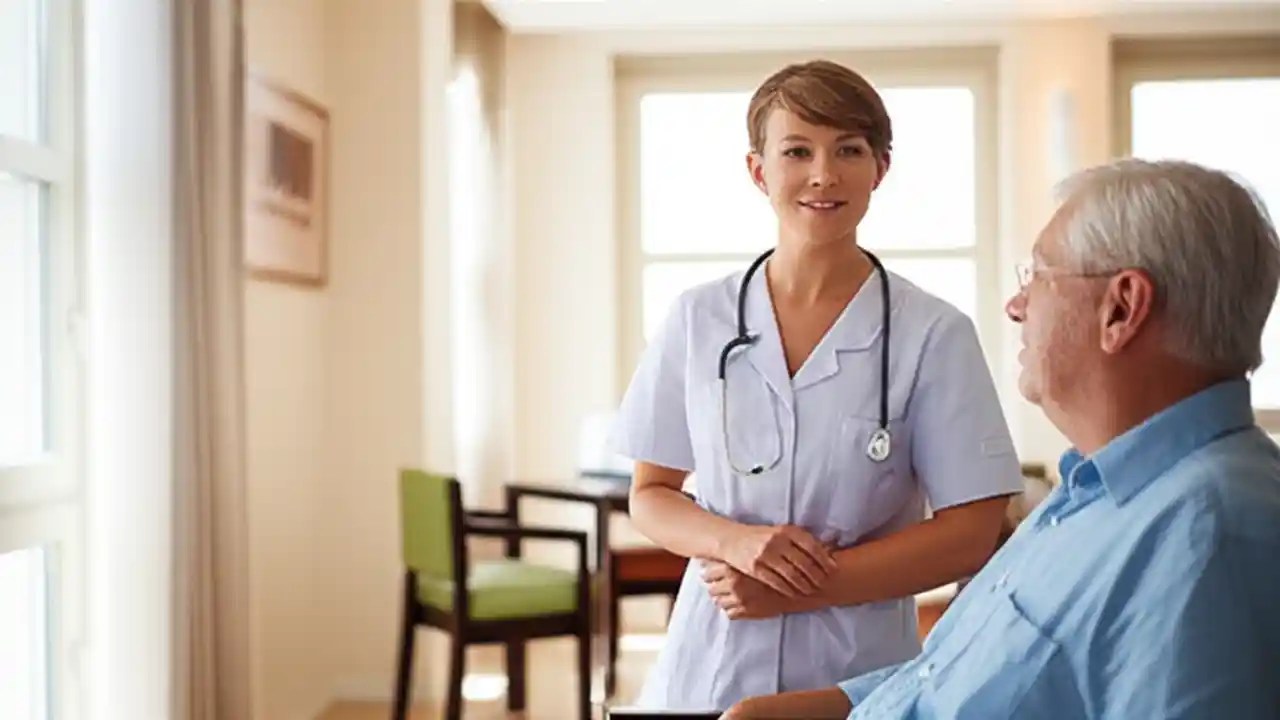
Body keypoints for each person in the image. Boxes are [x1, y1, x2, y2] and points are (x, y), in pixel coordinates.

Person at [720, 158, 1280, 719]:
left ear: (1121, 308)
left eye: (1037, 276)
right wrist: (808, 709)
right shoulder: (1093, 495)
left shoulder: (1210, 537)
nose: (1017, 307)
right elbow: (955, 678)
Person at [610, 59, 1025, 711]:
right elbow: (651, 494)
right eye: (797, 150)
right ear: (759, 170)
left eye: (848, 150)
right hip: (709, 665)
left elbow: (972, 530)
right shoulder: (699, 318)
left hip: (855, 677)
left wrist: (802, 586)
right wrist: (736, 544)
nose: (823, 174)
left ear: (880, 168)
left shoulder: (934, 334)